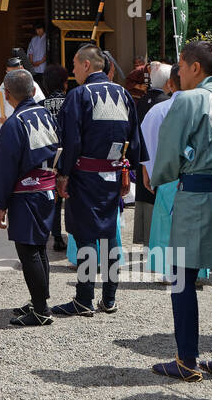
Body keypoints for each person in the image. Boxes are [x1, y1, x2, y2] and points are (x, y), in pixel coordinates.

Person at [150, 40, 212, 382]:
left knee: (183, 280)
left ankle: (187, 359)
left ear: (194, 67)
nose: (177, 71)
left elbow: (169, 149)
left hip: (196, 195)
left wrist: (160, 174)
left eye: (180, 64)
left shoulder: (189, 99)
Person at [53, 43, 144, 317]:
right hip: (114, 173)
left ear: (86, 65)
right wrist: (130, 170)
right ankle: (110, 297)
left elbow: (71, 140)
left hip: (85, 174)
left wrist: (63, 174)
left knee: (84, 235)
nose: (72, 71)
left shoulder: (79, 95)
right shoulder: (124, 94)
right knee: (109, 235)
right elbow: (134, 138)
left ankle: (83, 298)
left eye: (73, 65)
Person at [0, 68, 61, 326]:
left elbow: (5, 166)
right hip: (47, 189)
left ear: (6, 94)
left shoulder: (15, 123)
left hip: (26, 194)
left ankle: (40, 310)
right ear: (34, 90)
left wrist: (0, 204)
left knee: (29, 250)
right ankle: (40, 299)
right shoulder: (47, 115)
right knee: (39, 247)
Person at [138, 66, 178, 272]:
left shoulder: (158, 108)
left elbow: (146, 141)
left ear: (171, 83)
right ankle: (195, 268)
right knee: (192, 225)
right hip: (197, 176)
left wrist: (149, 171)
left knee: (164, 223)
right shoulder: (204, 104)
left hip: (166, 174)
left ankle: (164, 269)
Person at [132, 63, 172, 246]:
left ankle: (147, 240)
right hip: (160, 161)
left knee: (144, 200)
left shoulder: (142, 100)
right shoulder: (167, 103)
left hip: (143, 160)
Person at [43, 65, 70, 251]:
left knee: (53, 198)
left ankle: (55, 235)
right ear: (65, 84)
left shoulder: (41, 106)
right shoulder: (72, 101)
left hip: (50, 157)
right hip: (70, 155)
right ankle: (75, 236)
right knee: (71, 195)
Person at [0, 49, 44, 122]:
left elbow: (40, 106)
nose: (13, 77)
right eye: (9, 74)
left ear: (22, 69)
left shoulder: (31, 85)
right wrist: (0, 120)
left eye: (15, 73)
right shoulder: (0, 92)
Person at [27, 24, 49, 91]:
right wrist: (31, 62)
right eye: (37, 29)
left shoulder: (47, 39)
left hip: (43, 66)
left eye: (40, 29)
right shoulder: (34, 39)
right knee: (35, 85)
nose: (38, 31)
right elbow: (30, 51)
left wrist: (40, 62)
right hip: (34, 67)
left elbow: (48, 52)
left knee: (43, 86)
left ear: (43, 29)